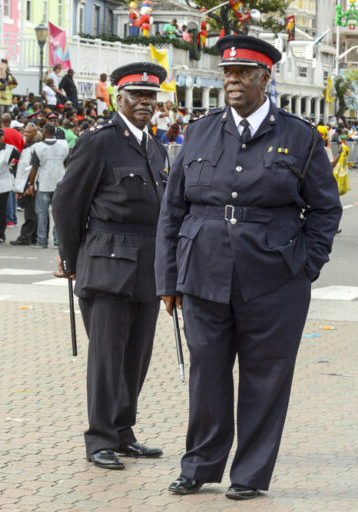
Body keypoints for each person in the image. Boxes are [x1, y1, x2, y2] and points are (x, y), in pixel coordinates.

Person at [155, 36, 342, 500]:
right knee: (207, 373)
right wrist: (168, 279)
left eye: (243, 73)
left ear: (265, 77)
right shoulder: (199, 131)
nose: (233, 81)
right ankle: (199, 466)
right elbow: (173, 210)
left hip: (275, 279)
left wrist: (305, 265)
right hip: (203, 273)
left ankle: (250, 475)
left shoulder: (299, 136)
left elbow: (325, 209)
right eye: (227, 73)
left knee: (266, 378)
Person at [52, 62, 169, 472]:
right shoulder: (98, 142)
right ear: (119, 98)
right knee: (107, 357)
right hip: (108, 264)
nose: (145, 103)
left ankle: (122, 432)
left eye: (151, 97)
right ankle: (100, 438)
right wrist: (71, 259)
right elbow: (67, 202)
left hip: (148, 265)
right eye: (137, 95)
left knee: (137, 356)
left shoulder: (156, 148)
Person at [25, 123, 69, 248]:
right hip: (60, 183)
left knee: (42, 214)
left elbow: (34, 167)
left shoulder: (38, 147)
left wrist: (31, 184)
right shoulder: (64, 145)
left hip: (44, 183)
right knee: (59, 214)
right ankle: (58, 239)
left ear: (44, 132)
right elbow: (67, 164)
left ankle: (42, 241)